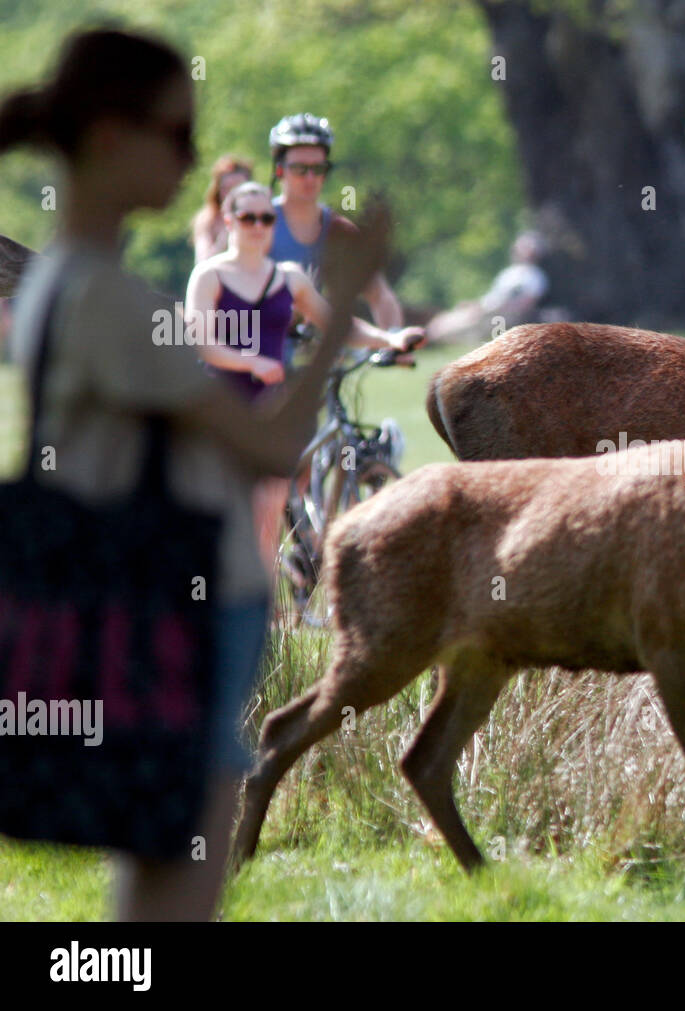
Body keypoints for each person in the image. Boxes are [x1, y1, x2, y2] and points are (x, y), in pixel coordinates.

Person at [0, 26, 398, 921]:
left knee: (145, 893)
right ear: (109, 138)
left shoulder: (62, 281)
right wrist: (345, 301)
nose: (193, 160)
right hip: (177, 614)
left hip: (143, 605)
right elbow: (265, 446)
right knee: (174, 897)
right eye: (176, 135)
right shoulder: (110, 299)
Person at [185, 179, 423, 571]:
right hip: (222, 411)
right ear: (229, 220)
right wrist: (251, 361)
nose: (258, 226)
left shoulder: (289, 278)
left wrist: (389, 338)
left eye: (266, 218)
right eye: (248, 218)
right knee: (220, 518)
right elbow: (201, 341)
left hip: (273, 413)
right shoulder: (210, 276)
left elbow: (338, 326)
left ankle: (264, 621)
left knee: (266, 518)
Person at [267, 113, 403, 329]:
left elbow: (380, 295)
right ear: (280, 170)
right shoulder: (256, 222)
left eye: (318, 169)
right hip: (257, 353)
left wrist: (395, 338)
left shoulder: (340, 230)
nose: (310, 178)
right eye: (300, 169)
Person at [426, 230, 550, 343]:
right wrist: (477, 304)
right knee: (444, 319)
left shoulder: (535, 277)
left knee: (452, 326)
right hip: (485, 310)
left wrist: (486, 309)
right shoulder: (509, 273)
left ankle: (428, 340)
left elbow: (524, 305)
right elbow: (493, 296)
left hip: (498, 317)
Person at [191, 153, 252, 263]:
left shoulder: (262, 218)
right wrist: (229, 228)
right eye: (227, 188)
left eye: (238, 188)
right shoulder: (208, 219)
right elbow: (203, 261)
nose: (232, 194)